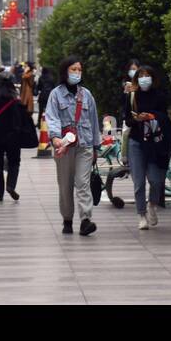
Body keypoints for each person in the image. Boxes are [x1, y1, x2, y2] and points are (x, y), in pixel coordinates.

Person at [44, 56, 99, 236]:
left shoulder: (87, 95)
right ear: (65, 71)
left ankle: (85, 220)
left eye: (79, 69)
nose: (77, 73)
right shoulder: (56, 94)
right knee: (65, 184)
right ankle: (67, 219)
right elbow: (52, 118)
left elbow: (94, 121)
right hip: (64, 147)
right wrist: (55, 138)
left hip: (85, 145)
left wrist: (96, 146)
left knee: (83, 183)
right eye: (73, 69)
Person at [123, 64, 171, 229]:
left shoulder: (159, 96)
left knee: (156, 180)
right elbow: (127, 119)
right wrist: (137, 119)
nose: (144, 79)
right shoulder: (132, 96)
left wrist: (151, 116)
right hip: (136, 141)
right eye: (141, 75)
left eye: (147, 75)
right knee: (138, 182)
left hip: (154, 142)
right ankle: (141, 214)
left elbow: (165, 117)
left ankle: (152, 204)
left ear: (152, 77)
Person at [37, 66, 56, 135]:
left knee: (40, 111)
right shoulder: (51, 78)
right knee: (50, 111)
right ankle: (50, 125)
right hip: (50, 96)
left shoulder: (41, 78)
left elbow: (38, 87)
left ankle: (39, 124)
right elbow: (54, 87)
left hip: (42, 96)